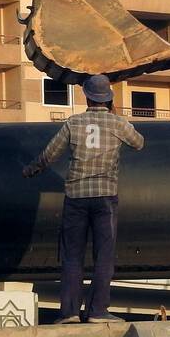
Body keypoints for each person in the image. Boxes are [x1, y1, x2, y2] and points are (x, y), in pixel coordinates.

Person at [22, 74, 144, 323]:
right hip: (105, 198)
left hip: (76, 197)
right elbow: (139, 143)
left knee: (72, 256)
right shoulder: (118, 124)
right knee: (104, 256)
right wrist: (116, 114)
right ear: (108, 98)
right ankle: (98, 310)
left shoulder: (73, 123)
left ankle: (69, 313)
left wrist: (30, 171)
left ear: (86, 96)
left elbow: (49, 155)